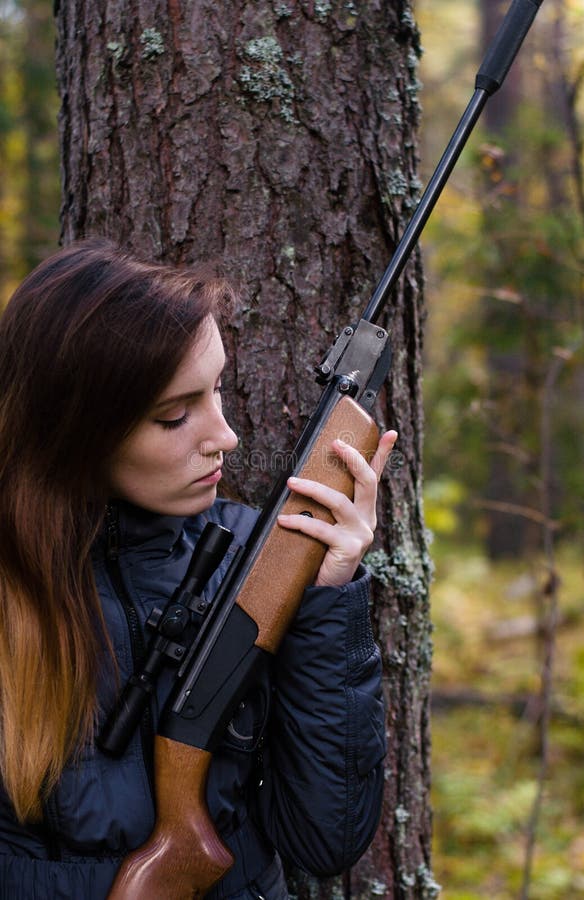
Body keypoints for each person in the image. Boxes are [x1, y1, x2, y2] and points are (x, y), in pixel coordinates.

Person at [0, 239, 396, 899]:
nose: (225, 435)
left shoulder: (249, 554)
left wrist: (328, 598)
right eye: (175, 415)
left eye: (215, 389)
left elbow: (325, 839)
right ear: (74, 431)